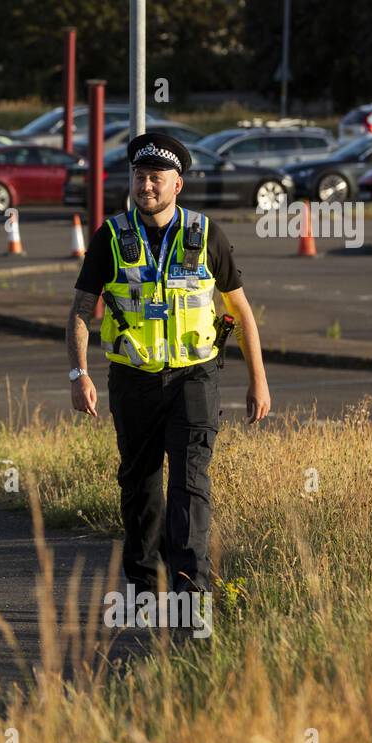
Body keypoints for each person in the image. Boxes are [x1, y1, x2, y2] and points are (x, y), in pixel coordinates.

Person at [66, 132, 271, 611]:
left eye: (156, 178)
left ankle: (190, 588)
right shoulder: (111, 236)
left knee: (190, 484)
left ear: (178, 184)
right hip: (132, 380)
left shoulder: (205, 235)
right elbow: (80, 309)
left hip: (193, 379)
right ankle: (143, 585)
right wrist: (80, 374)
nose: (145, 186)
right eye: (139, 177)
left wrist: (257, 380)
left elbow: (240, 312)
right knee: (139, 484)